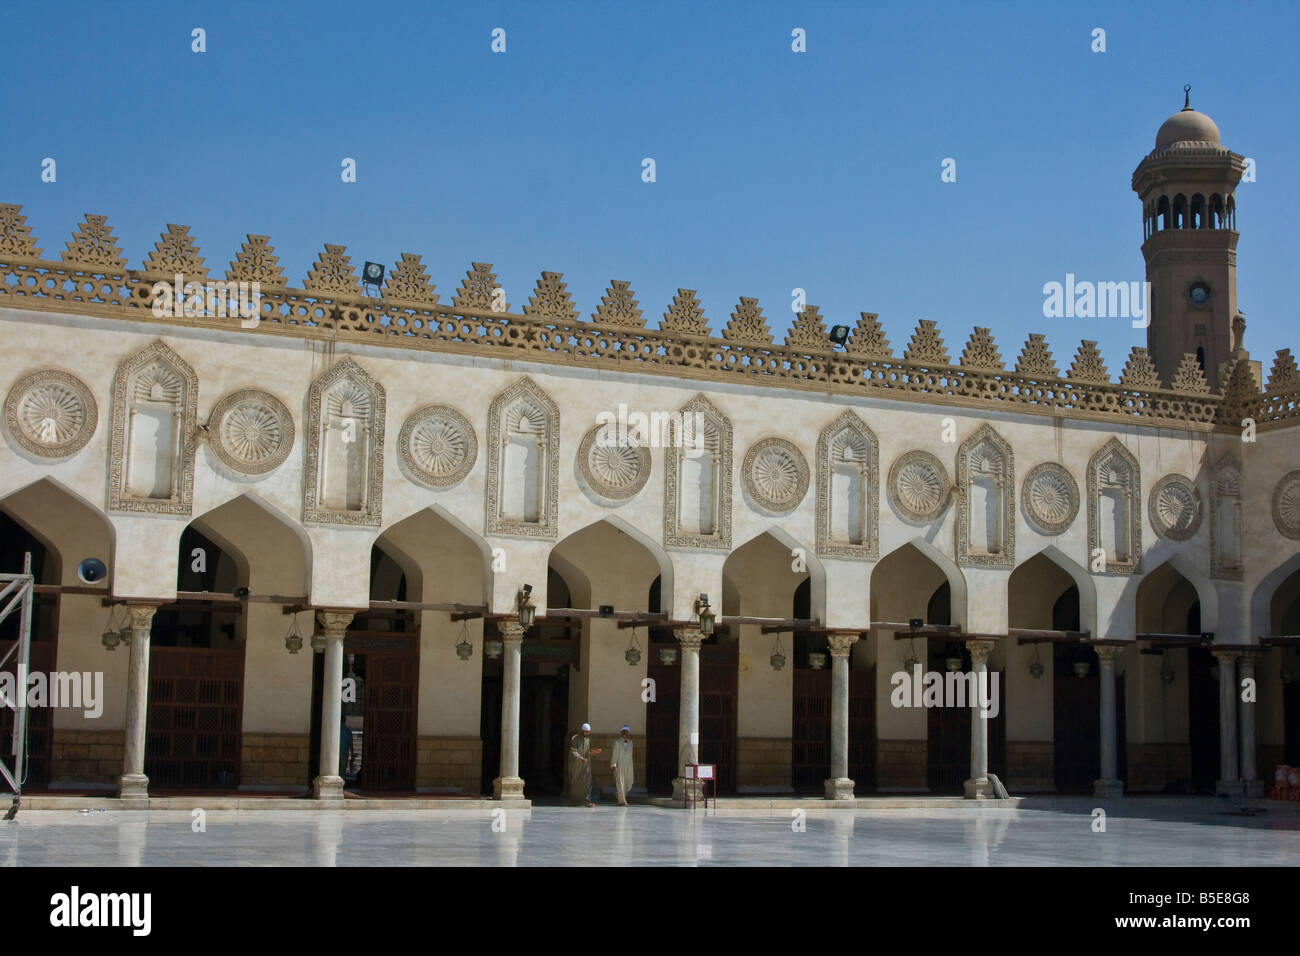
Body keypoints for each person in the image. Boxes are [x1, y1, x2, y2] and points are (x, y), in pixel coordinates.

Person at [568, 722, 602, 807]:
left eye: (588, 732)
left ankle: (587, 800)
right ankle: (574, 800)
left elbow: (589, 751)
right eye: (586, 731)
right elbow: (573, 751)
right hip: (577, 764)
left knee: (588, 782)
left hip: (586, 764)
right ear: (582, 730)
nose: (587, 733)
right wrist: (580, 758)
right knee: (576, 782)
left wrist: (595, 751)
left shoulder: (588, 739)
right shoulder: (575, 738)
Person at [610, 725, 634, 806]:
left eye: (626, 731)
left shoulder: (631, 742)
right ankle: (622, 801)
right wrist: (614, 764)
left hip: (628, 766)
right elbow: (615, 754)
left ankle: (620, 796)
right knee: (620, 782)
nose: (625, 733)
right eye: (623, 731)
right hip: (620, 765)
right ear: (621, 732)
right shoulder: (617, 742)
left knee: (627, 782)